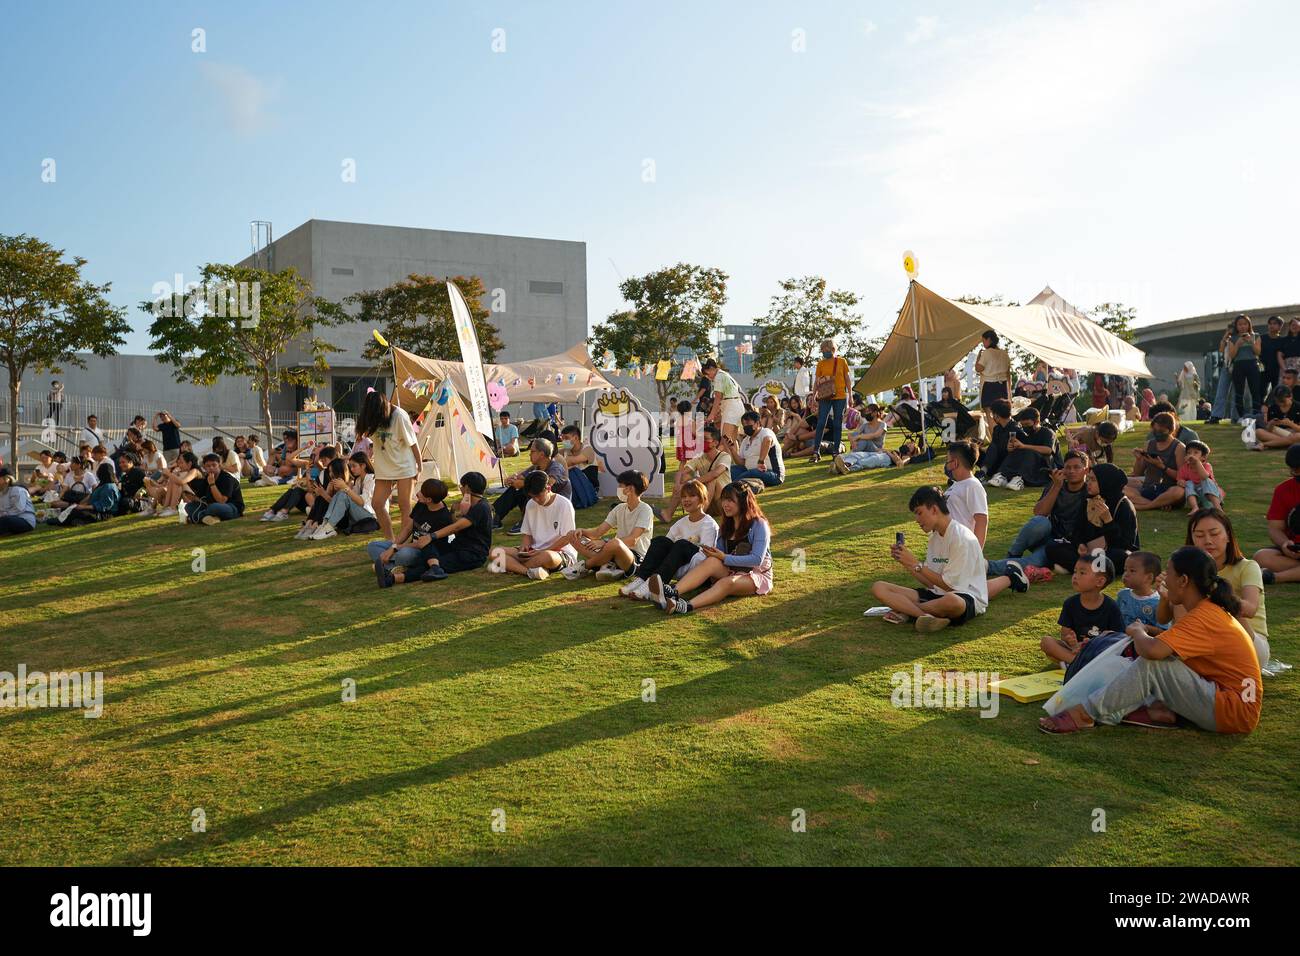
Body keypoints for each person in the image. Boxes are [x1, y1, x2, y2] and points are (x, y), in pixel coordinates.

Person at [1039, 546, 1261, 736]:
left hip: (1234, 711)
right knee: (1157, 660)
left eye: (1169, 574)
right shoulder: (1206, 610)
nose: (1162, 579)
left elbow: (1152, 652)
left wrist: (1138, 631)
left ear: (1183, 581)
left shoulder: (1204, 616)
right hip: (1229, 702)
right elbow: (1164, 644)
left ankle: (1085, 714)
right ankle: (1154, 710)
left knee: (1151, 664)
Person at [870, 486, 989, 632]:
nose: (917, 520)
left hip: (964, 598)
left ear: (933, 509)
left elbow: (950, 587)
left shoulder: (961, 537)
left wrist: (915, 563)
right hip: (937, 595)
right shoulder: (935, 536)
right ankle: (923, 615)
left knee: (952, 601)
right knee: (879, 587)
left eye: (919, 513)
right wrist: (907, 563)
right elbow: (931, 583)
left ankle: (906, 611)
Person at [647, 481, 773, 615]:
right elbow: (719, 555)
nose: (725, 504)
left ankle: (686, 606)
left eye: (730, 500)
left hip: (756, 574)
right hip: (732, 569)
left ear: (743, 501)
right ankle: (672, 592)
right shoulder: (726, 525)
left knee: (727, 582)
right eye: (724, 499)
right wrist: (711, 553)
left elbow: (756, 559)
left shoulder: (759, 524)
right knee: (711, 562)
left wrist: (723, 557)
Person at [1175, 509, 1269, 667]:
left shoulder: (1248, 567)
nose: (1207, 541)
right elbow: (1175, 620)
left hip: (1250, 641)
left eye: (1214, 533)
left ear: (1228, 536)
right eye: (1199, 535)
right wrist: (1171, 593)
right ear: (1191, 540)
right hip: (1207, 639)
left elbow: (1250, 609)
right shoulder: (1186, 573)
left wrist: (1218, 594)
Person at [987, 451, 1091, 579]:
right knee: (1040, 522)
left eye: (1076, 467)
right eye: (1068, 467)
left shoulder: (1090, 491)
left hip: (1061, 547)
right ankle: (1013, 554)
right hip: (1047, 535)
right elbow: (1039, 512)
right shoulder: (1055, 485)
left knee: (1033, 562)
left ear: (1086, 470)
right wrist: (1056, 486)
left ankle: (987, 567)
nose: (1071, 471)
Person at [620, 479, 719, 600]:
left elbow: (705, 556)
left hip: (696, 570)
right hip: (676, 565)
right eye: (683, 497)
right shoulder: (681, 523)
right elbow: (665, 546)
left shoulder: (709, 524)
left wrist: (683, 548)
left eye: (692, 496)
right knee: (660, 541)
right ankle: (641, 579)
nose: (686, 500)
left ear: (702, 498)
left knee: (682, 545)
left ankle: (653, 585)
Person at [563, 470, 654, 581]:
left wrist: (604, 543)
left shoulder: (645, 510)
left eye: (620, 485)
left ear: (630, 489)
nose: (618, 488)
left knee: (614, 543)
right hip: (611, 551)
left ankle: (585, 566)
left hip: (633, 557)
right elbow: (597, 533)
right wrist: (581, 530)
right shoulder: (619, 508)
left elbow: (632, 540)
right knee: (573, 535)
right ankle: (608, 566)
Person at [488, 470, 579, 581]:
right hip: (533, 550)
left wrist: (544, 550)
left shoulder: (564, 504)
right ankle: (529, 572)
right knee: (494, 552)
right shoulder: (531, 504)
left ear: (548, 488)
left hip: (558, 552)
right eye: (532, 496)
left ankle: (511, 565)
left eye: (538, 496)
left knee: (547, 557)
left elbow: (567, 538)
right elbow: (527, 533)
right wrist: (524, 547)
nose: (536, 500)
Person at [355, 391, 421, 542]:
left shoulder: (399, 416)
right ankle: (391, 541)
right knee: (377, 504)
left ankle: (403, 543)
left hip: (404, 466)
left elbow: (413, 443)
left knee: (404, 505)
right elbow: (364, 434)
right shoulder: (371, 415)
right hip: (384, 468)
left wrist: (420, 466)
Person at [1040, 553, 1123, 667]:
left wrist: (1093, 645)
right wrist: (1073, 643)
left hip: (1098, 652)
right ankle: (1078, 664)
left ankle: (1073, 664)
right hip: (1075, 650)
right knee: (1047, 642)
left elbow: (1117, 640)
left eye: (1082, 573)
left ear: (1100, 582)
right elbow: (1065, 635)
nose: (1075, 576)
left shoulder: (1111, 606)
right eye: (1075, 571)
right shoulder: (1070, 604)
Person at [368, 478, 455, 582]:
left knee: (404, 555)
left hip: (422, 551)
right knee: (372, 546)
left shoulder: (443, 518)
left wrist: (395, 548)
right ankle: (392, 567)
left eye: (421, 493)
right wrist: (393, 547)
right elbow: (408, 527)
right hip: (409, 545)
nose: (418, 493)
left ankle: (387, 566)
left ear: (429, 500)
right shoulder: (422, 504)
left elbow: (421, 544)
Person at [493, 437, 571, 533]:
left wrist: (523, 483)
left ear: (541, 454)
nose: (530, 454)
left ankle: (528, 522)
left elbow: (548, 484)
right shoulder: (536, 467)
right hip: (541, 503)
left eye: (532, 451)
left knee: (532, 488)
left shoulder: (555, 467)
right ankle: (495, 517)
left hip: (556, 508)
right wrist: (513, 479)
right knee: (516, 488)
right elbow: (521, 476)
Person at [659, 424, 730, 522]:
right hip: (707, 499)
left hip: (722, 502)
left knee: (711, 480)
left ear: (715, 443)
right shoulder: (699, 457)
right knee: (684, 478)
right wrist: (677, 484)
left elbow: (715, 474)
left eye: (705, 439)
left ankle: (700, 516)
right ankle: (668, 514)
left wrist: (693, 482)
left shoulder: (724, 456)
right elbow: (682, 471)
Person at [1255, 445, 1300, 584]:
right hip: (1296, 550)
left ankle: (1275, 577)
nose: (1296, 473)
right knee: (1261, 557)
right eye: (1294, 470)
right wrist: (1284, 544)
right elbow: (1275, 527)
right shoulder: (1283, 490)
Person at [260, 446, 339, 523]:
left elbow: (312, 490)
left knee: (302, 492)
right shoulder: (308, 464)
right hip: (307, 495)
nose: (315, 448)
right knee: (293, 490)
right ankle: (273, 511)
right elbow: (290, 458)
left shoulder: (325, 470)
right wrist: (305, 448)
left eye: (319, 447)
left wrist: (319, 455)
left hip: (315, 499)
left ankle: (283, 511)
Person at [1124, 412, 1185, 511]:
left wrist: (1162, 466)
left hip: (1167, 489)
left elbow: (1182, 477)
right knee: (1120, 484)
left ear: (1170, 430)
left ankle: (1145, 505)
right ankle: (1158, 504)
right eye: (1155, 430)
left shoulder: (1179, 447)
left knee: (1179, 492)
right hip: (1148, 487)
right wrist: (1139, 459)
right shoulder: (1149, 444)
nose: (1157, 434)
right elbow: (1137, 473)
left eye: (1161, 431)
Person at [310, 451, 377, 540]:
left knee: (343, 493)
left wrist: (345, 487)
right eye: (350, 466)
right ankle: (325, 524)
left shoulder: (371, 478)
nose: (351, 469)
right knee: (341, 493)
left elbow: (361, 502)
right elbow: (351, 500)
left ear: (363, 466)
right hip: (361, 514)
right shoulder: (358, 481)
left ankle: (328, 527)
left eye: (354, 466)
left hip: (371, 517)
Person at [986, 407, 1056, 490]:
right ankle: (1002, 475)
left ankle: (1019, 478)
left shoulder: (1048, 432)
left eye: (1027, 424)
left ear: (1037, 422)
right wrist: (1010, 449)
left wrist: (1024, 446)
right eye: (1023, 425)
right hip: (1032, 465)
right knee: (1018, 451)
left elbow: (1048, 450)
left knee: (1030, 452)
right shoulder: (1027, 434)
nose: (1025, 427)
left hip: (1046, 465)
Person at [808, 339, 852, 464]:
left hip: (840, 396)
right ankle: (816, 451)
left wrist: (851, 396)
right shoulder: (821, 364)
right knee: (821, 423)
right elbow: (817, 382)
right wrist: (814, 397)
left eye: (826, 350)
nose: (824, 352)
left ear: (833, 349)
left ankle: (836, 451)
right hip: (825, 396)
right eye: (822, 350)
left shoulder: (842, 361)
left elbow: (847, 379)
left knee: (838, 424)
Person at [183, 453, 245, 525]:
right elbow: (200, 497)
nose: (211, 468)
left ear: (219, 465)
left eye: (214, 465)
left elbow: (222, 500)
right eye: (208, 466)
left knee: (214, 507)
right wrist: (189, 495)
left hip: (232, 507)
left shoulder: (227, 478)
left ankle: (196, 517)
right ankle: (206, 518)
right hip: (210, 505)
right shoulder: (207, 478)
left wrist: (212, 484)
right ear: (204, 467)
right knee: (189, 506)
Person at [729, 410, 784, 486]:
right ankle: (736, 484)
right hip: (749, 471)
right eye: (743, 424)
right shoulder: (746, 440)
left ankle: (734, 486)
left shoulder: (766, 432)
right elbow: (741, 463)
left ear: (757, 423)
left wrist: (761, 461)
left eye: (748, 423)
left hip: (772, 473)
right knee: (730, 469)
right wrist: (732, 450)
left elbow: (767, 440)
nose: (745, 426)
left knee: (751, 473)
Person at [56, 462, 120, 525]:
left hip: (104, 513)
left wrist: (84, 507)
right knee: (71, 509)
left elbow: (103, 506)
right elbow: (92, 496)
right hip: (93, 508)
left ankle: (65, 521)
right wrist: (81, 504)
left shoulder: (108, 487)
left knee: (77, 512)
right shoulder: (103, 484)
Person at [1226, 314, 1263, 421]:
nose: (1242, 326)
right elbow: (1231, 356)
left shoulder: (1256, 335)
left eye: (1245, 324)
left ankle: (1256, 415)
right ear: (1236, 326)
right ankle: (1241, 416)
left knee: (1255, 390)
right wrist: (1237, 344)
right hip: (1238, 365)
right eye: (1240, 324)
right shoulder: (1233, 338)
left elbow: (1258, 352)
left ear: (1249, 325)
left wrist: (1251, 341)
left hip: (1252, 364)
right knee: (1239, 392)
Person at [702, 358, 745, 444]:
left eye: (707, 374)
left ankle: (729, 457)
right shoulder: (724, 374)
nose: (708, 377)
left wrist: (712, 415)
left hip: (731, 407)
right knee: (731, 440)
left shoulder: (719, 376)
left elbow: (718, 397)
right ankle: (733, 457)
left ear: (711, 368)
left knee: (726, 439)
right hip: (735, 406)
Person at [975, 331, 1012, 433]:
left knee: (990, 416)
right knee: (1003, 415)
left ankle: (995, 442)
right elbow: (1008, 373)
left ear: (989, 340)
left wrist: (978, 357)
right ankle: (1004, 439)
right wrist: (1009, 391)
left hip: (990, 386)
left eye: (983, 341)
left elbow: (978, 368)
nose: (983, 343)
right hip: (1002, 385)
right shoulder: (1004, 354)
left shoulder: (987, 353)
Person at [1118, 552, 1164, 631]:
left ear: (1149, 577)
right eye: (1125, 570)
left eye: (1132, 571)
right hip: (1120, 640)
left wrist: (1145, 628)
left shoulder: (1158, 602)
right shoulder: (1123, 595)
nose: (1126, 574)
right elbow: (1115, 618)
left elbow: (1163, 631)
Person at [558, 424, 599, 509]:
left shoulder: (587, 450)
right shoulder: (564, 451)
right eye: (562, 438)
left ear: (576, 438)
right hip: (573, 487)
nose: (564, 441)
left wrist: (563, 456)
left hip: (588, 488)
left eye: (566, 438)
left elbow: (570, 461)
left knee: (572, 471)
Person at [1179, 440, 1222, 511]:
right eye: (1189, 453)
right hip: (1195, 496)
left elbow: (1204, 476)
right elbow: (1179, 479)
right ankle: (1195, 507)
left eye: (1196, 452)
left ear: (1203, 457)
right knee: (1189, 483)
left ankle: (1218, 507)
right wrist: (1181, 482)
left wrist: (1197, 462)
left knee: (1206, 481)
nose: (1191, 455)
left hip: (1209, 495)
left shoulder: (1207, 466)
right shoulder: (1184, 468)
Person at [1254, 385, 1300, 449]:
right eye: (1277, 401)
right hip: (1278, 433)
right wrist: (1271, 424)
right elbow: (1269, 430)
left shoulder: (1298, 407)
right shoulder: (1272, 408)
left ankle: (1265, 444)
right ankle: (1287, 443)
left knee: (1298, 436)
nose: (1280, 404)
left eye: (1282, 401)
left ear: (1290, 397)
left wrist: (1290, 424)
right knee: (1258, 432)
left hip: (1293, 433)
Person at [0, 469, 37, 535]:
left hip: (25, 521)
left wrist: (3, 515)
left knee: (5, 520)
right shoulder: (2, 492)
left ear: (7, 479)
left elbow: (18, 509)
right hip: (9, 518)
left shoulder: (17, 490)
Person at [1260, 315, 1286, 399]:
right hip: (1263, 371)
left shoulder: (1283, 340)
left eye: (1274, 323)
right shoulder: (1261, 338)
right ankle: (1259, 411)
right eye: (1270, 323)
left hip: (1277, 371)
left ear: (1280, 326)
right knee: (1261, 393)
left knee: (1277, 394)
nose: (1271, 325)